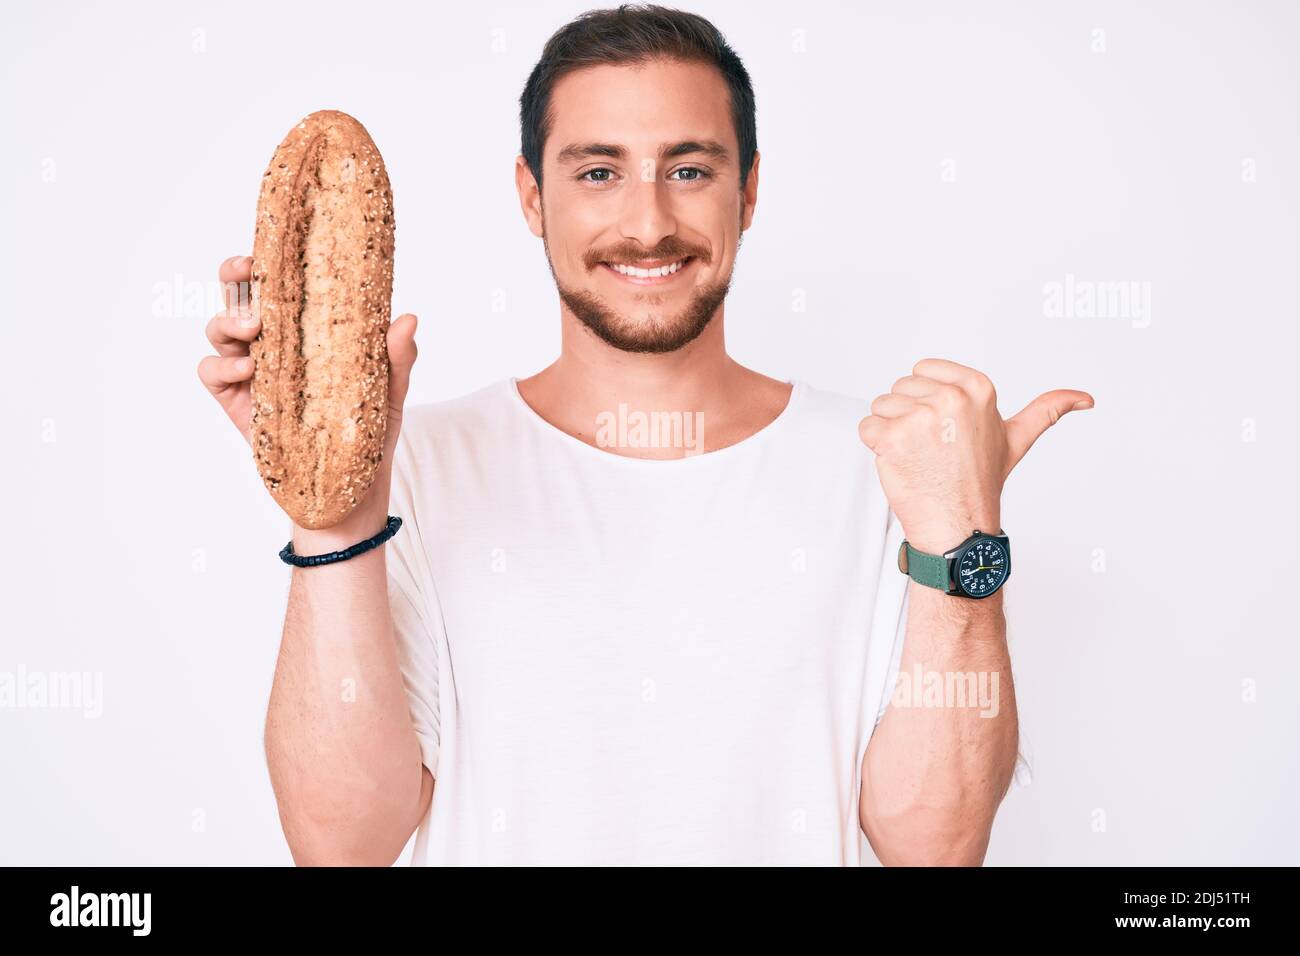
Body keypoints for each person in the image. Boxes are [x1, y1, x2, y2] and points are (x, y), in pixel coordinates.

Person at [198, 4, 1090, 866]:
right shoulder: (414, 468)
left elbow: (935, 850)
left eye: (690, 170)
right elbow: (341, 847)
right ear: (531, 195)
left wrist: (964, 547)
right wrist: (334, 519)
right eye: (598, 172)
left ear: (748, 193)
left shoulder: (889, 471)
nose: (649, 222)